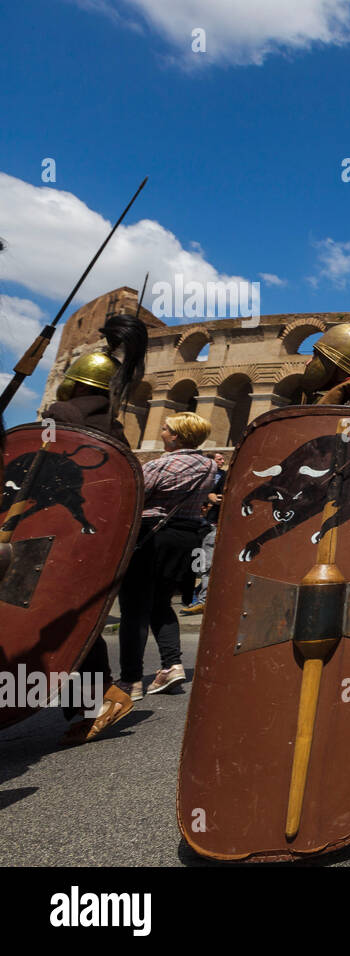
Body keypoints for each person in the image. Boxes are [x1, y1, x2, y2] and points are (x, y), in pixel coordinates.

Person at [41, 312, 146, 743]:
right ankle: (93, 698)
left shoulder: (59, 414)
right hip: (86, 538)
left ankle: (95, 698)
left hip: (43, 530)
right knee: (73, 615)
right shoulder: (114, 432)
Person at [116, 412, 220, 701]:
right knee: (161, 603)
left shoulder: (162, 464)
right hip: (185, 538)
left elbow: (136, 496)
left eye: (165, 428)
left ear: (176, 435)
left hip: (153, 535)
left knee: (134, 608)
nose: (161, 431)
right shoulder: (209, 465)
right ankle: (171, 665)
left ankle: (130, 681)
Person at [183, 452, 226, 613]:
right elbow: (211, 493)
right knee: (206, 565)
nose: (223, 461)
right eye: (219, 459)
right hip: (214, 524)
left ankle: (207, 600)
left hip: (232, 527)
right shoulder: (227, 475)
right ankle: (203, 600)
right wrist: (214, 498)